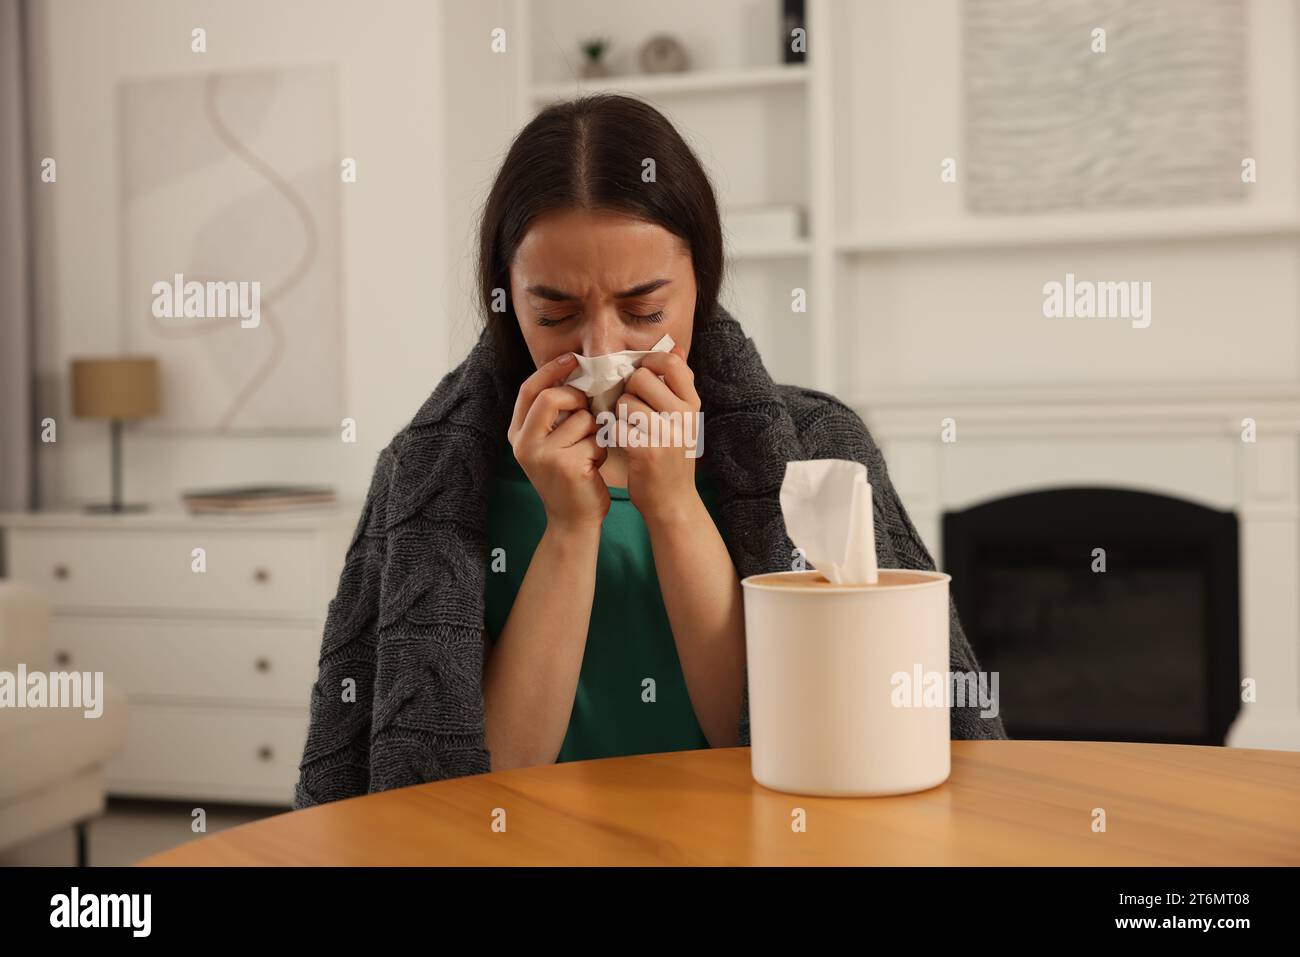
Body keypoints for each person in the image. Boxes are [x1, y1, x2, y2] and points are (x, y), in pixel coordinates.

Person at [293, 94, 1006, 811]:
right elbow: (479, 790)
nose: (603, 350)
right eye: (555, 314)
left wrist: (673, 505)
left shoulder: (820, 451)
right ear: (505, 299)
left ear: (703, 281)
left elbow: (785, 742)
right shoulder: (427, 477)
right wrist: (571, 529)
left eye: (643, 311)